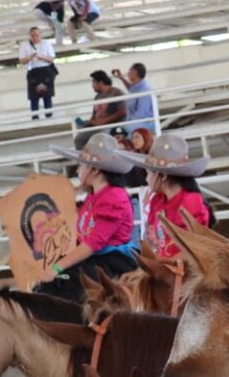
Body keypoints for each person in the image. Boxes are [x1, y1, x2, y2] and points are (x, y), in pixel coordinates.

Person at [39, 133, 138, 301]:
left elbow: (92, 244)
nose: (78, 170)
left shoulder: (113, 197)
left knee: (65, 286)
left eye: (81, 165)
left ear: (95, 169)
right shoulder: (94, 196)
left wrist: (57, 267)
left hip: (113, 263)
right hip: (98, 259)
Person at [123, 133, 212, 259]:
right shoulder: (157, 200)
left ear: (163, 176)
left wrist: (159, 267)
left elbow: (195, 250)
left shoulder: (191, 201)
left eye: (149, 173)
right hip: (166, 268)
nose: (147, 179)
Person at [73, 70, 126, 149]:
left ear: (100, 83)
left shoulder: (117, 93)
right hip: (97, 126)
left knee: (100, 137)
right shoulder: (97, 97)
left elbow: (123, 112)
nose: (92, 85)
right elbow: (94, 115)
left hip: (111, 125)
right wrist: (88, 122)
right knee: (79, 139)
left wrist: (104, 121)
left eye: (93, 82)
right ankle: (83, 160)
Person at [20, 25, 57, 119]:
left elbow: (51, 58)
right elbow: (22, 61)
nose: (35, 37)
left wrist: (42, 57)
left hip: (45, 71)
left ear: (40, 35)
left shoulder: (46, 43)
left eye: (37, 35)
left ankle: (49, 116)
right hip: (33, 71)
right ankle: (35, 117)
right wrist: (30, 57)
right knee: (34, 98)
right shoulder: (24, 45)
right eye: (33, 35)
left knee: (47, 96)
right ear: (30, 36)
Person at [112, 63, 158, 138]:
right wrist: (121, 77)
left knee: (121, 131)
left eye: (130, 70)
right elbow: (131, 88)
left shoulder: (145, 90)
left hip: (144, 122)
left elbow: (142, 114)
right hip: (133, 121)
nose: (128, 73)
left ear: (135, 72)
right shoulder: (137, 86)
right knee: (116, 130)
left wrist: (128, 122)